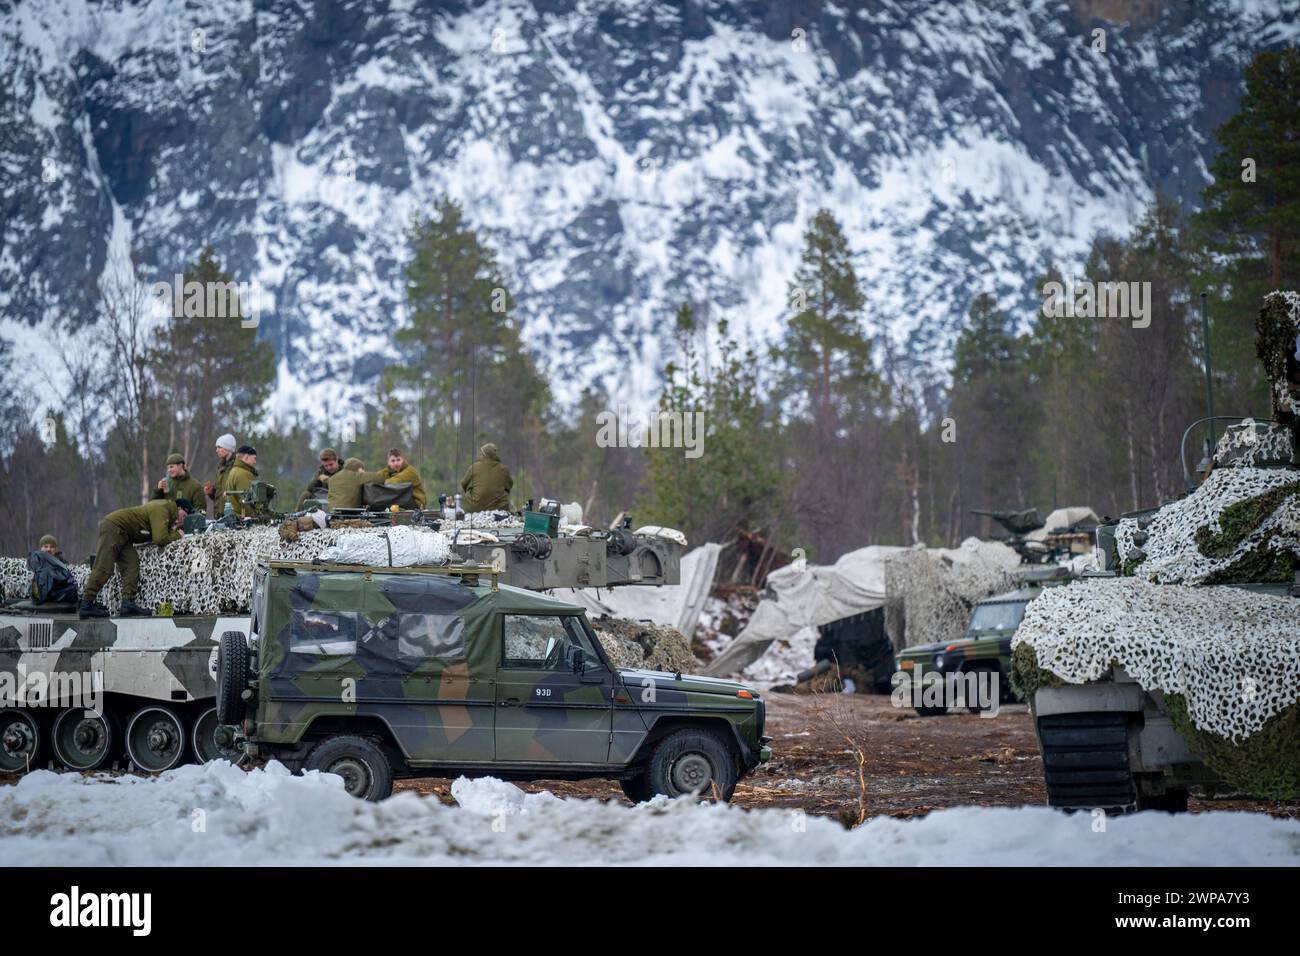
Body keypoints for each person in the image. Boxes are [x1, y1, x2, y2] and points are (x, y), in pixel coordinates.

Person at [79, 498, 191, 619]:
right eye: (184, 515)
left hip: (124, 535)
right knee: (104, 567)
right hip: (114, 528)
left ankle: (127, 604)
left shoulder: (167, 514)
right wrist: (177, 535)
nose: (182, 519)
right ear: (178, 508)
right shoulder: (162, 509)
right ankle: (86, 604)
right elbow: (160, 539)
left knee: (131, 564)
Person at [460, 442, 513, 513]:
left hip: (474, 509)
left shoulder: (474, 467)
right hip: (499, 510)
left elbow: (464, 484)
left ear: (484, 455)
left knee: (468, 493)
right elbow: (510, 485)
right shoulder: (504, 469)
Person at [204, 433, 238, 516]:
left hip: (231, 516)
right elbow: (219, 494)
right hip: (219, 516)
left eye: (219, 447)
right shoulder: (221, 468)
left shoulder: (236, 467)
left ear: (227, 448)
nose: (216, 450)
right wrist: (211, 492)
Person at [223, 445, 259, 517]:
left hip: (235, 517)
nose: (255, 462)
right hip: (244, 520)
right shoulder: (243, 474)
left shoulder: (234, 471)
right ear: (246, 457)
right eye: (254, 458)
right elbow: (246, 502)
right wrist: (256, 516)